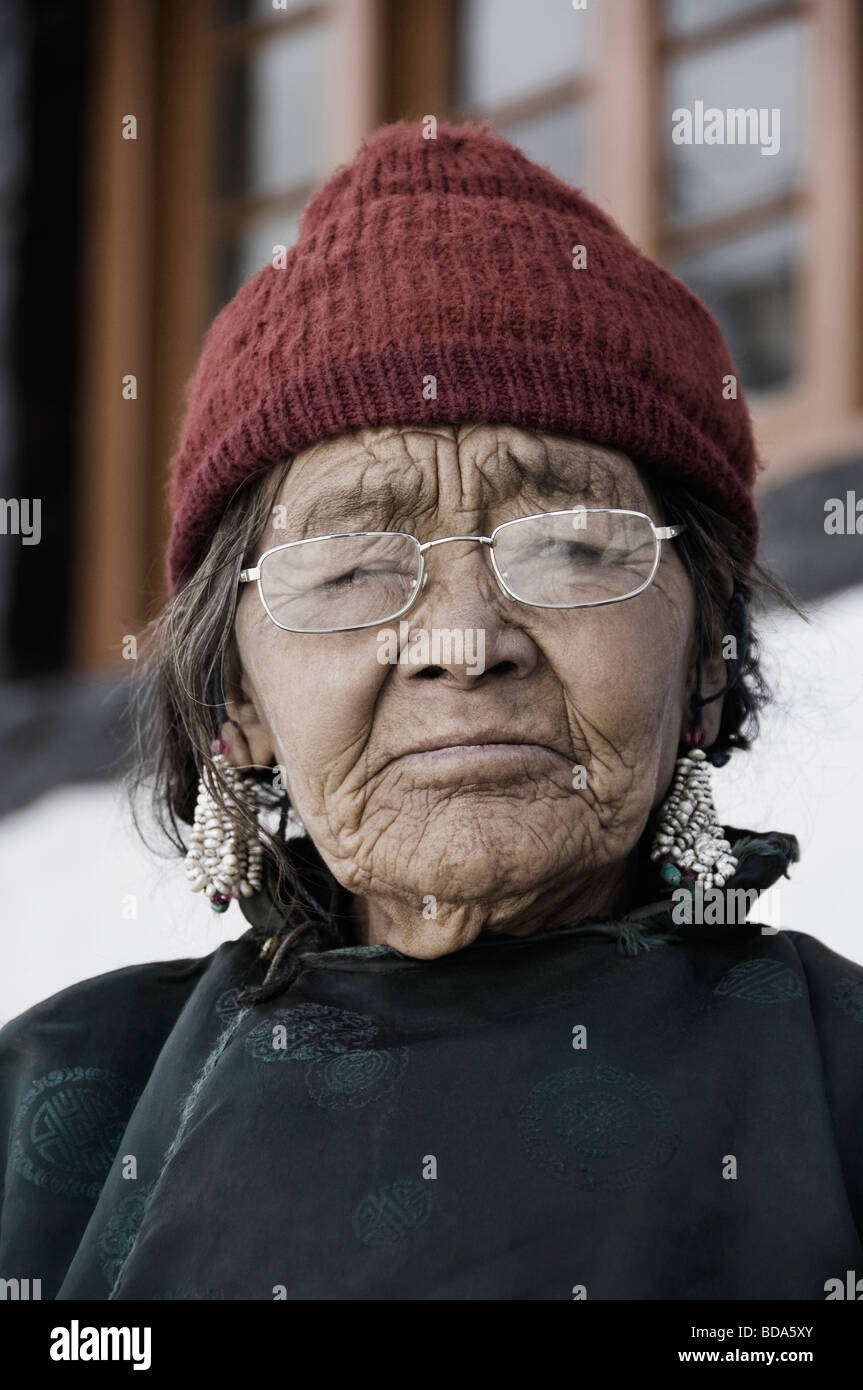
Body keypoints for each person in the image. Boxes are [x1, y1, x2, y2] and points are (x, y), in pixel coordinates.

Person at [1, 121, 861, 1302]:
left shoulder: (842, 1081)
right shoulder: (49, 1117)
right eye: (351, 565)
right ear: (232, 700)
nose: (462, 642)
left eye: (567, 544)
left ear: (705, 655)